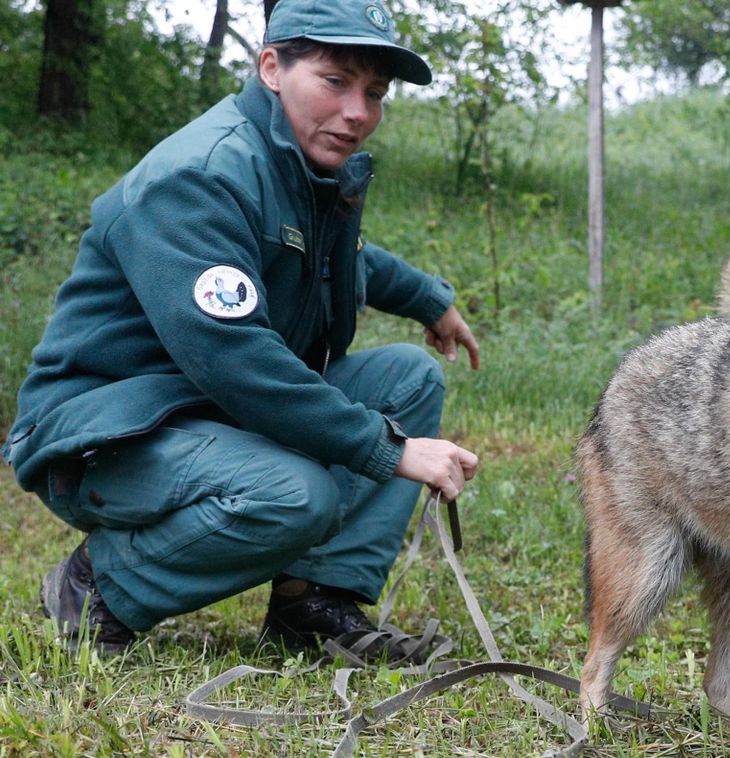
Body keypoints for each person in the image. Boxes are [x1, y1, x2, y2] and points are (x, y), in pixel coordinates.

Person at [2, 0, 480, 660]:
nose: (358, 112)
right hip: (107, 430)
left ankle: (312, 605)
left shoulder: (294, 162)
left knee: (408, 378)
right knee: (296, 496)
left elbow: (336, 256)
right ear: (271, 67)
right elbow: (234, 357)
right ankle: (95, 590)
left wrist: (429, 301)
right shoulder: (199, 174)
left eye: (374, 93)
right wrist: (387, 448)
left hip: (199, 409)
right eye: (335, 81)